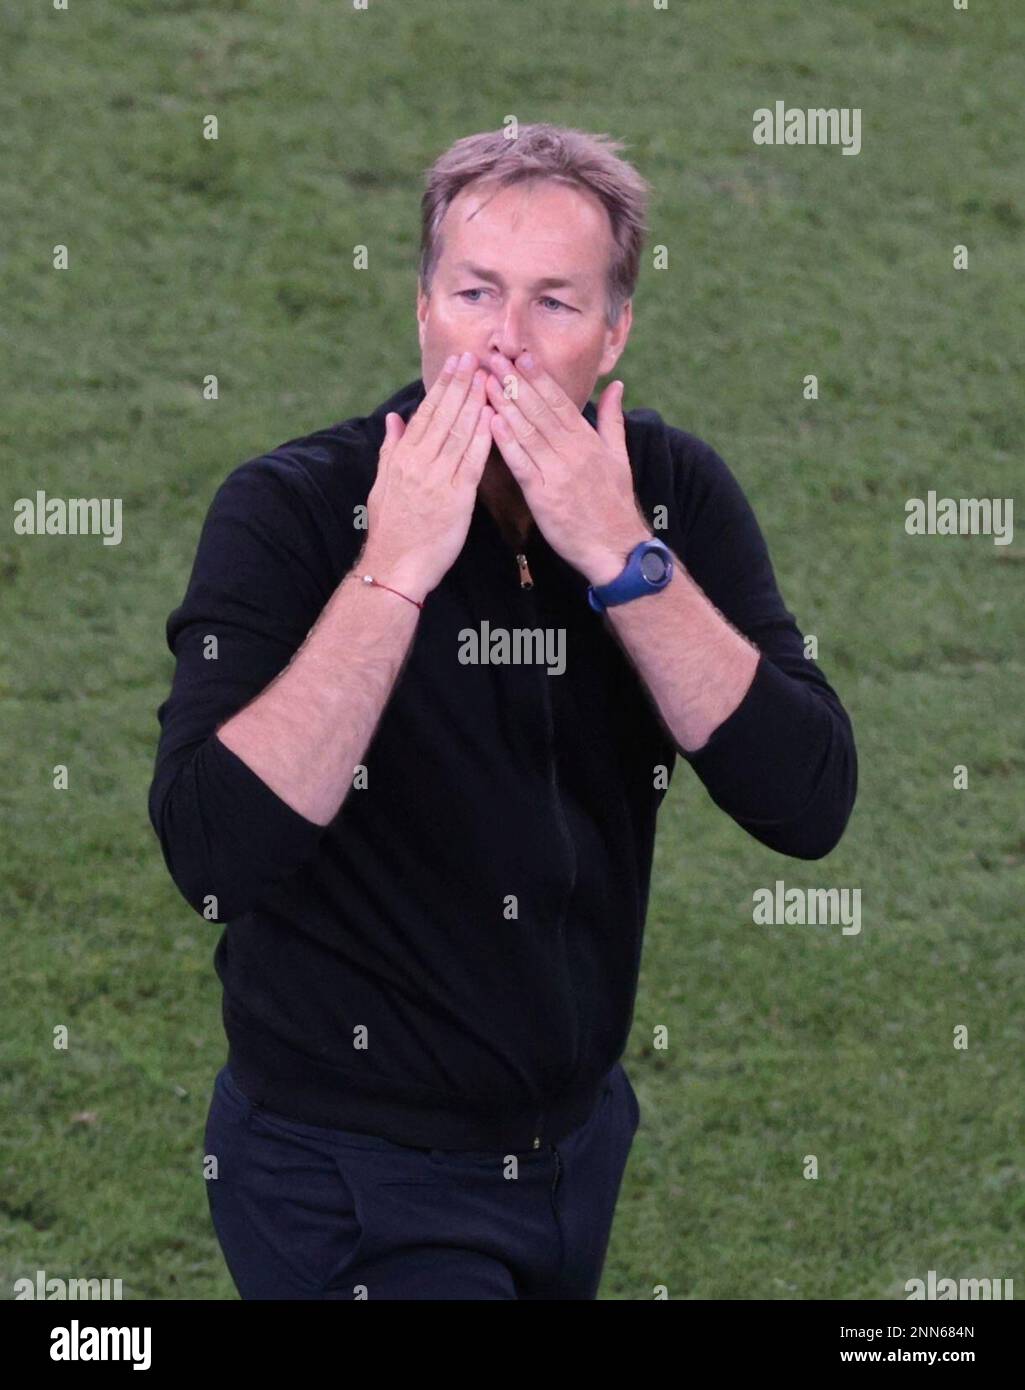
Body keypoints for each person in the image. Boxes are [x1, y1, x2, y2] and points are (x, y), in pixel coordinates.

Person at [148, 123, 857, 1300]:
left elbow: (806, 800)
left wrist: (620, 555)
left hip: (575, 1148)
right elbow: (214, 851)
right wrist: (395, 573)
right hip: (348, 1176)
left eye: (554, 304)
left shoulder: (667, 496)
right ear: (423, 307)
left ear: (615, 330)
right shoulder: (289, 511)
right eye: (475, 292)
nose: (504, 345)